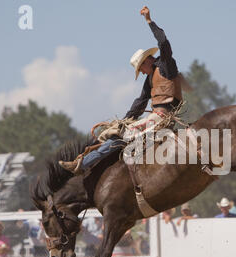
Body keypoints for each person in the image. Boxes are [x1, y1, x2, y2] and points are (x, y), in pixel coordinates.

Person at [59, 6, 184, 175]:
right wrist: (123, 121)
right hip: (155, 118)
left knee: (121, 137)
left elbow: (163, 43)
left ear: (147, 61)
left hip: (163, 117)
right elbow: (139, 103)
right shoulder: (150, 80)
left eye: (140, 68)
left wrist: (149, 21)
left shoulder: (166, 66)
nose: (141, 72)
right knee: (119, 132)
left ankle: (84, 164)